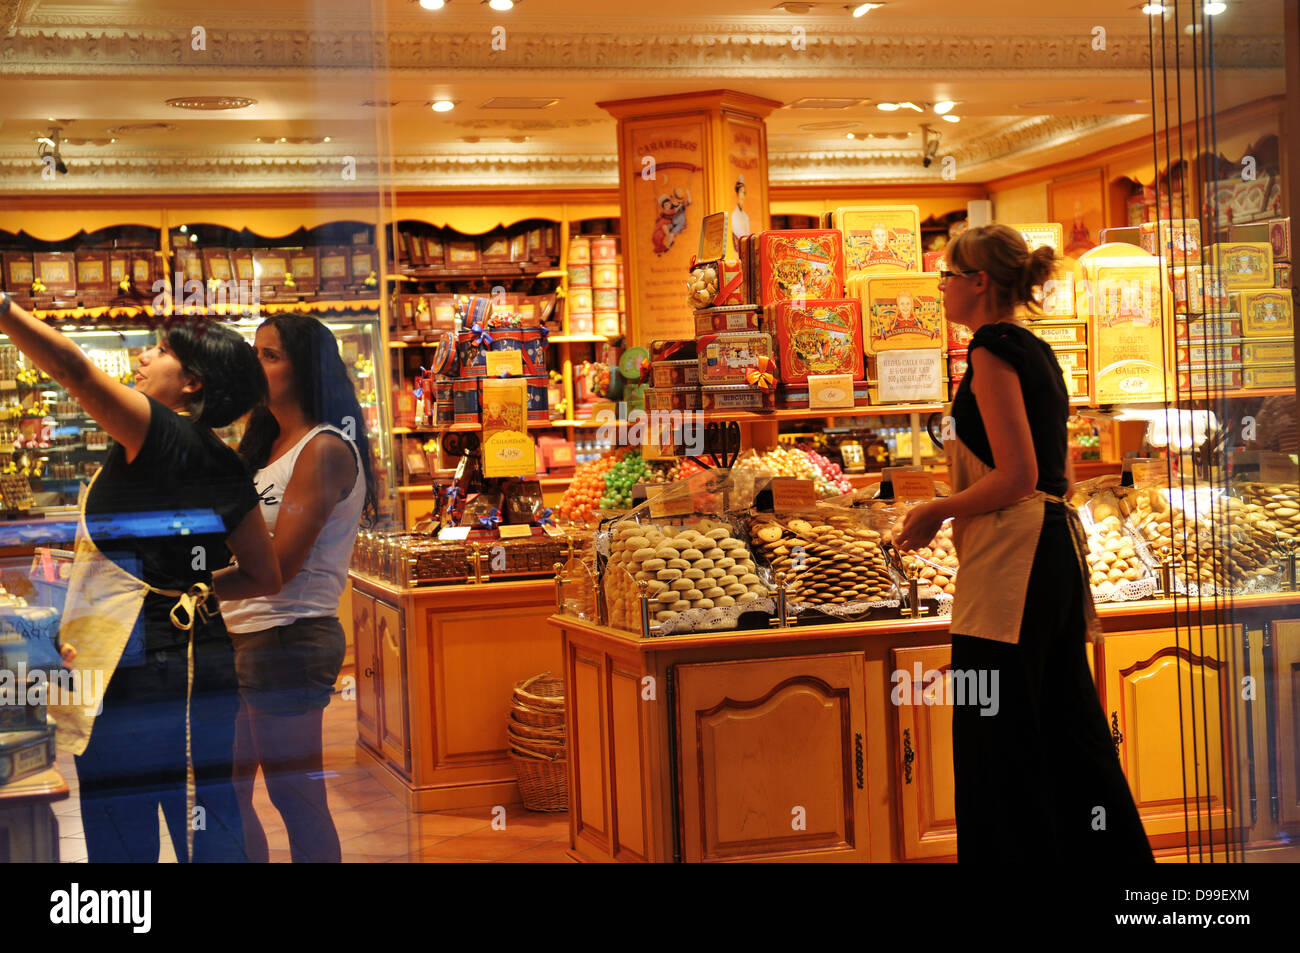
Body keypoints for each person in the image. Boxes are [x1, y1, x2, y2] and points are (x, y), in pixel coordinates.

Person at [893, 225, 1153, 864]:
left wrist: (934, 511)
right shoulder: (1034, 347)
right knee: (1070, 726)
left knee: (998, 734)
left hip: (1014, 561)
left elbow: (1018, 475)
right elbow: (1049, 465)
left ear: (979, 281)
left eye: (948, 277)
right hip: (1049, 551)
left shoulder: (989, 349)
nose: (942, 288)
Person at [0, 291, 281, 863]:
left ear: (192, 384)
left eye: (158, 350)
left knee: (128, 821)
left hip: (153, 672)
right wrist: (189, 593)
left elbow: (71, 368)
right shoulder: (219, 458)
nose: (142, 358)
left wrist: (5, 310)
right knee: (196, 816)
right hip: (165, 661)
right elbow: (263, 574)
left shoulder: (164, 432)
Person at [219, 314, 376, 863]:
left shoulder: (324, 448)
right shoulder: (265, 442)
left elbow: (278, 566)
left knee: (295, 794)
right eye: (254, 353)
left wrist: (187, 588)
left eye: (271, 355)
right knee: (227, 793)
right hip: (246, 635)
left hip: (287, 636)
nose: (256, 366)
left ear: (306, 369)